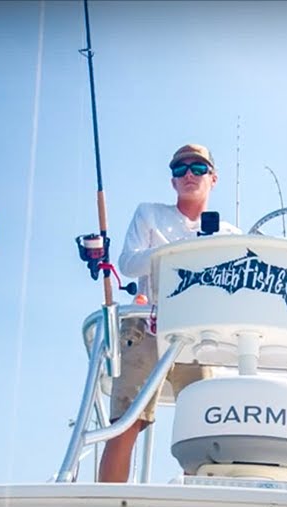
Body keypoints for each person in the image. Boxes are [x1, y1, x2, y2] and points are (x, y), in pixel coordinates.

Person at [98, 143, 241, 484]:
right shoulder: (149, 214)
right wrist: (182, 251)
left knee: (202, 432)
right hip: (149, 328)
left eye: (198, 168)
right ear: (172, 181)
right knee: (126, 423)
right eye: (180, 170)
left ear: (214, 178)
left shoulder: (232, 235)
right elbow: (128, 263)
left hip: (200, 337)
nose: (189, 175)